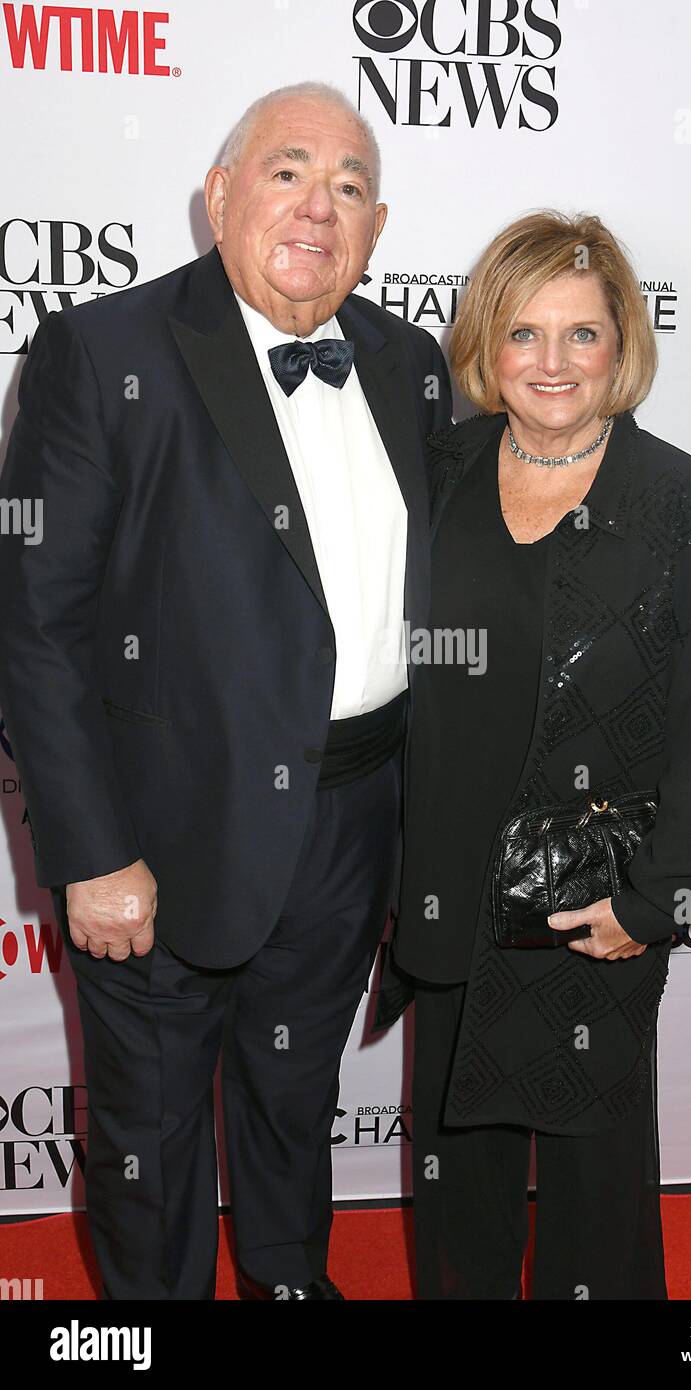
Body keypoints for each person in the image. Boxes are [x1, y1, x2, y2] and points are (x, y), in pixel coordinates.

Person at [0, 82, 451, 1300]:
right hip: (161, 831)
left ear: (379, 223)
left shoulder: (410, 363)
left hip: (357, 823)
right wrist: (90, 854)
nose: (319, 204)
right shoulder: (104, 352)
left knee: (293, 1111)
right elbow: (35, 624)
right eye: (288, 169)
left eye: (350, 185)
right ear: (218, 195)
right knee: (147, 1140)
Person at [374, 210, 691, 1299]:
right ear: (486, 344)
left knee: (596, 1186)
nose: (550, 363)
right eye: (523, 334)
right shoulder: (436, 473)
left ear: (620, 343)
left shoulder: (685, 502)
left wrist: (656, 895)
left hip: (590, 898)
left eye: (580, 335)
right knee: (458, 1184)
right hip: (447, 882)